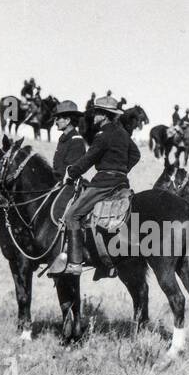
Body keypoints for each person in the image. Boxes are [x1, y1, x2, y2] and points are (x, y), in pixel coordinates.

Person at [49, 96, 140, 276]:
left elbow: (89, 159)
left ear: (105, 116)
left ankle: (75, 263)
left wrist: (72, 172)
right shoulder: (123, 134)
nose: (94, 116)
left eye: (97, 112)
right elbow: (136, 154)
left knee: (72, 215)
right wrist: (122, 170)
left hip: (103, 184)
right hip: (121, 182)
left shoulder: (102, 135)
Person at [51, 101, 86, 176]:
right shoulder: (63, 138)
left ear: (67, 120)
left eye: (58, 118)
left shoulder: (77, 140)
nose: (55, 122)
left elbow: (69, 169)